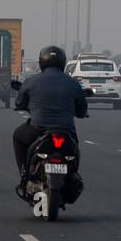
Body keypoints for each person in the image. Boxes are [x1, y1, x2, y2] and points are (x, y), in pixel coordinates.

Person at [12, 45, 87, 196]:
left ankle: (24, 175)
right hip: (66, 130)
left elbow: (19, 103)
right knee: (75, 148)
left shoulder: (31, 81)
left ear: (41, 62)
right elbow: (81, 110)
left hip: (37, 129)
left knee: (17, 136)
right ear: (62, 62)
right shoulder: (73, 83)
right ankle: (73, 173)